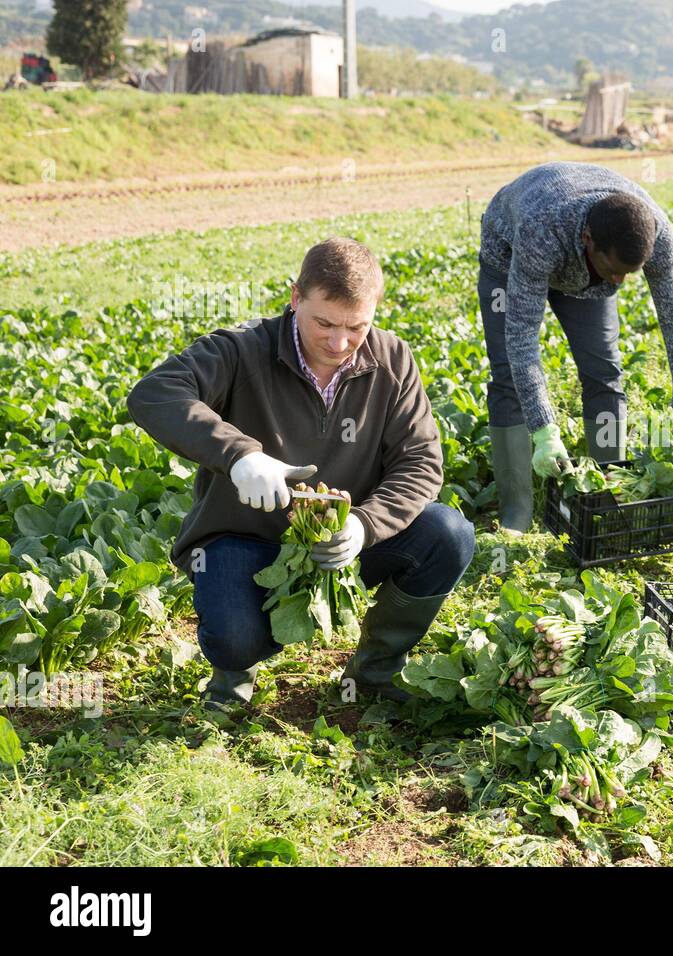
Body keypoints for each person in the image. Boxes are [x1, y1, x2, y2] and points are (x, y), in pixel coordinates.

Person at [127, 238, 475, 708]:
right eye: (324, 323)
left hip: (344, 544)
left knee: (448, 534)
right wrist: (239, 455)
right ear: (295, 299)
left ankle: (374, 673)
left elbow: (420, 461)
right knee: (236, 637)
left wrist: (364, 525)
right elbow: (154, 394)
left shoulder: (392, 360)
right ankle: (234, 677)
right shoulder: (241, 350)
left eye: (357, 326)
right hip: (248, 539)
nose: (339, 342)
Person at [477, 161, 673, 531]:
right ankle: (517, 517)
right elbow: (522, 339)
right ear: (589, 239)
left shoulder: (656, 234)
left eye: (630, 272)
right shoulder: (541, 231)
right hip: (510, 251)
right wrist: (545, 431)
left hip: (582, 266)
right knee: (508, 376)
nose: (621, 281)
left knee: (603, 371)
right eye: (615, 270)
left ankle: (609, 495)